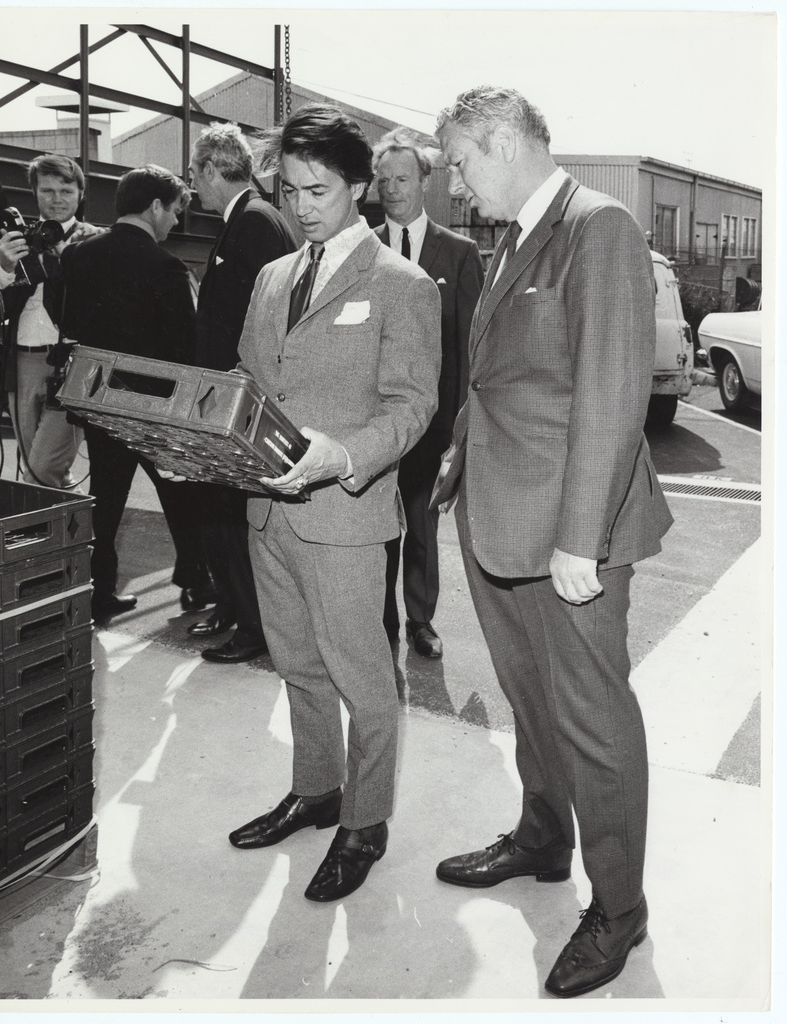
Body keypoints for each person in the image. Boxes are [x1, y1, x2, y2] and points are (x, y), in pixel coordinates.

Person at [432, 86, 673, 997]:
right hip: (501, 516)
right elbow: (500, 377)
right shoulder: (516, 237)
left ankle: (619, 906)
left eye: (459, 160)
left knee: (593, 718)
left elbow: (612, 393)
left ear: (501, 143)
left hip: (572, 532)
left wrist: (581, 539)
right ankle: (542, 836)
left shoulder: (596, 228)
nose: (455, 183)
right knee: (530, 695)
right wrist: (458, 457)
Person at [229, 104, 441, 902]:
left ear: (360, 187)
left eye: (318, 189)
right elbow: (249, 380)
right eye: (288, 190)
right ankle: (316, 789)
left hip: (346, 514)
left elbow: (413, 405)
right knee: (297, 663)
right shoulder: (273, 276)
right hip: (267, 507)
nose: (301, 205)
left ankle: (366, 821)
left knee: (363, 677)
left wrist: (343, 455)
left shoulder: (402, 284)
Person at [61, 165, 202, 623]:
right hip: (154, 409)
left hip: (101, 400)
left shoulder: (78, 255)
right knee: (181, 497)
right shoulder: (167, 266)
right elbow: (185, 347)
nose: (176, 222)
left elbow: (69, 325)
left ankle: (99, 593)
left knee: (104, 503)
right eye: (175, 211)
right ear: (155, 206)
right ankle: (197, 584)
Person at [184, 123, 298, 662]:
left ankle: (254, 630)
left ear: (212, 168)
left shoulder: (254, 222)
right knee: (220, 513)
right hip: (226, 392)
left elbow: (268, 320)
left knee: (235, 516)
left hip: (238, 397)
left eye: (194, 174)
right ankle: (234, 609)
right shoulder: (245, 220)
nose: (191, 188)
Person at [373, 128, 484, 658]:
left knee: (420, 523)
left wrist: (460, 431)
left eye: (402, 177)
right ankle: (381, 622)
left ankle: (420, 620)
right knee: (376, 526)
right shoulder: (361, 248)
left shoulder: (458, 254)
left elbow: (470, 346)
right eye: (384, 179)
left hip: (433, 420)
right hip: (373, 418)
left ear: (424, 179)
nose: (393, 188)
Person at [0, 154, 93, 489]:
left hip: (71, 362)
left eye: (66, 190)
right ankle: (69, 536)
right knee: (36, 465)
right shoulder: (15, 240)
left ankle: (49, 535)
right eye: (47, 190)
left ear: (81, 192)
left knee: (42, 468)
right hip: (19, 361)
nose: (56, 199)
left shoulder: (94, 239)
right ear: (34, 193)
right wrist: (4, 267)